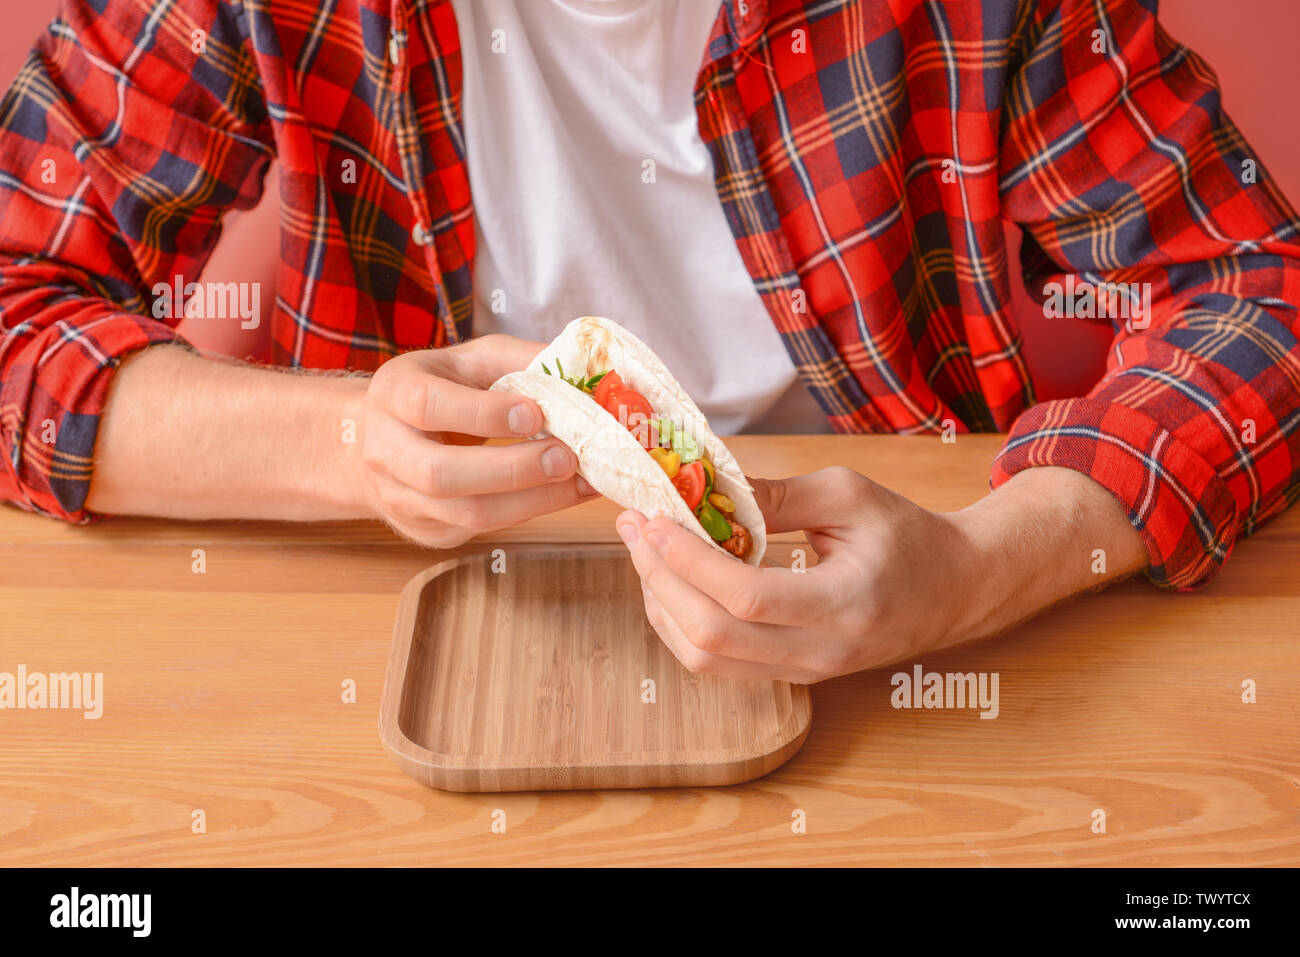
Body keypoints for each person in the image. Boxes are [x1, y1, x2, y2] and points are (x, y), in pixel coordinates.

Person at [1, 0, 1296, 682]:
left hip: (879, 630)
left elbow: (1260, 291)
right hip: (386, 633)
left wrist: (978, 565)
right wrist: (355, 446)